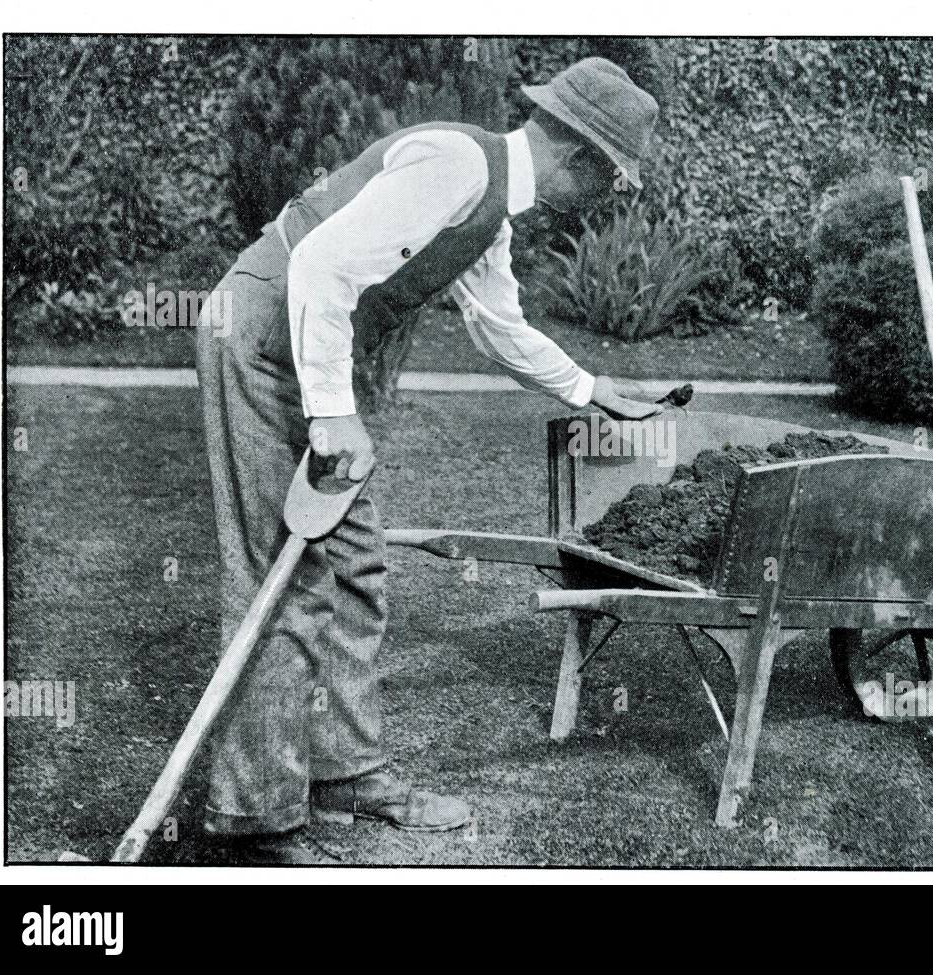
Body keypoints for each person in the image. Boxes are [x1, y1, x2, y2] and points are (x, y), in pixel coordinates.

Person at [194, 57, 663, 863]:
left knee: (356, 567)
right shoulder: (456, 165)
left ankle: (344, 772)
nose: (610, 195)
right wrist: (334, 412)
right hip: (262, 340)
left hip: (306, 353)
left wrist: (589, 388)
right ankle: (256, 819)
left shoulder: (490, 209)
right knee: (288, 579)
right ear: (582, 158)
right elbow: (319, 266)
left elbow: (499, 328)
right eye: (615, 179)